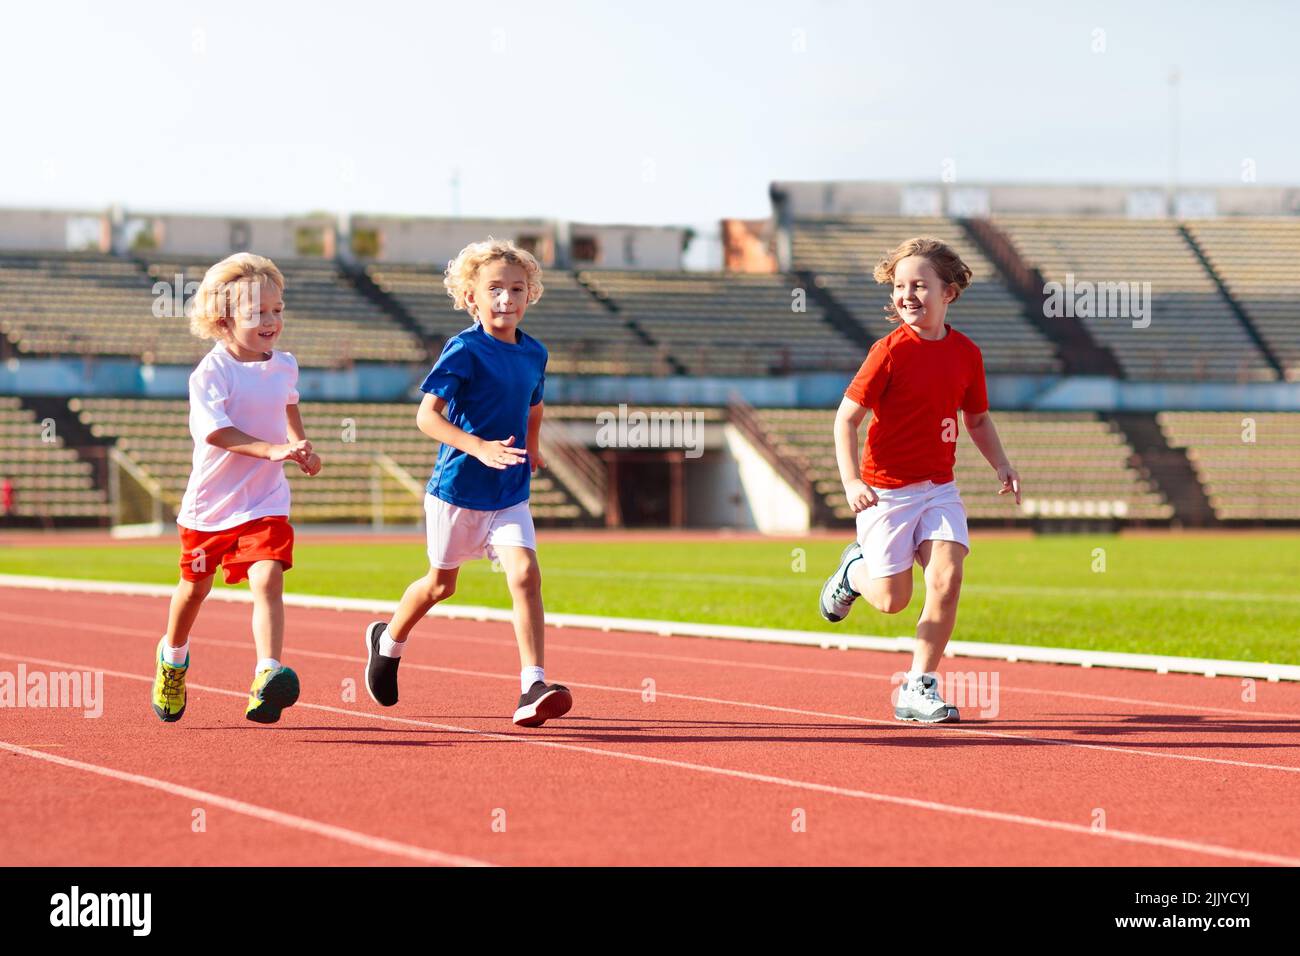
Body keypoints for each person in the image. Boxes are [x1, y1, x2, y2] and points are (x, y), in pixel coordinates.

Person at [363, 238, 572, 728]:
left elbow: (534, 405)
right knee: (440, 585)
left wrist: (534, 445)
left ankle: (532, 685)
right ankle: (387, 641)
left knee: (524, 575)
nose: (506, 299)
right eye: (494, 289)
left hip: (510, 491)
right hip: (457, 490)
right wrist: (478, 446)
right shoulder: (464, 349)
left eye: (516, 289)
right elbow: (426, 418)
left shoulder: (535, 352)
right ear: (471, 297)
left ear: (530, 295)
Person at [818, 237, 1021, 723]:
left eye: (919, 285)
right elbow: (846, 419)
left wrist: (1002, 463)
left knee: (947, 579)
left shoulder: (967, 354)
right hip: (885, 492)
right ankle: (851, 571)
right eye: (899, 286)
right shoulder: (887, 352)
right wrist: (850, 483)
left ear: (947, 292)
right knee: (892, 601)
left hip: (939, 489)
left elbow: (976, 419)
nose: (907, 295)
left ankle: (918, 685)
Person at [151, 253, 322, 724]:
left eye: (277, 310)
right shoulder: (212, 372)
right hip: (211, 506)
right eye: (258, 314)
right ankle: (173, 659)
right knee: (194, 590)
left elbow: (288, 409)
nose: (271, 321)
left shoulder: (285, 365)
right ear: (224, 320)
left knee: (268, 577)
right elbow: (216, 432)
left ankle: (267, 674)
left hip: (265, 500)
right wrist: (271, 451)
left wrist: (299, 447)